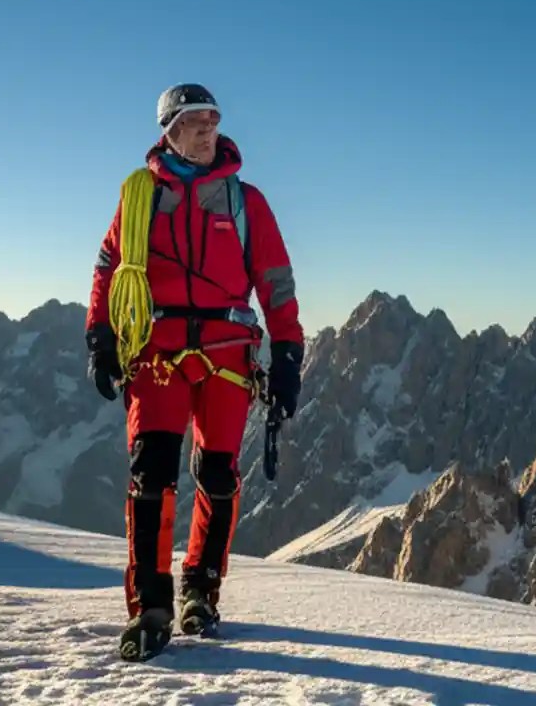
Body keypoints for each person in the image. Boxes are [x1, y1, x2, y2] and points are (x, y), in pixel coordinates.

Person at [84, 83, 304, 660]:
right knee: (151, 476)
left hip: (228, 355)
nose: (208, 128)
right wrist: (100, 336)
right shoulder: (139, 198)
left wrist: (287, 354)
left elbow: (275, 281)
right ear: (169, 130)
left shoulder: (244, 201)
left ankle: (200, 593)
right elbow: (109, 266)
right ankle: (151, 607)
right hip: (156, 351)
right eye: (195, 120)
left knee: (219, 475)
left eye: (213, 118)